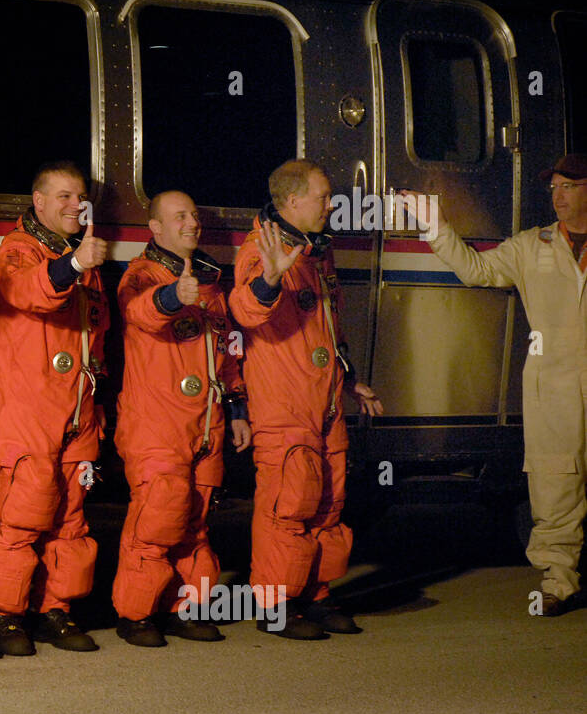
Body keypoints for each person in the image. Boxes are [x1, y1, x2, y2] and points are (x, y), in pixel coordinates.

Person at [401, 154, 587, 616]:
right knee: (555, 480)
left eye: (569, 186)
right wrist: (437, 228)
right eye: (554, 189)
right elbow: (476, 271)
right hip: (554, 383)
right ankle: (558, 581)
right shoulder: (532, 245)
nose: (558, 196)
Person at [228, 160, 383, 639]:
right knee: (287, 505)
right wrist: (271, 279)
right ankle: (277, 608)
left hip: (326, 399)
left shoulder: (316, 252)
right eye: (323, 196)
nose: (332, 204)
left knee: (328, 502)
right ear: (293, 202)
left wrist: (349, 377)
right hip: (285, 404)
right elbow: (245, 311)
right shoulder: (263, 252)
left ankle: (315, 596)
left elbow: (327, 328)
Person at [112, 191, 251, 647]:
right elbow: (140, 312)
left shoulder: (209, 283)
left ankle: (182, 609)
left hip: (204, 422)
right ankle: (136, 615)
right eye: (180, 217)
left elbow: (225, 355)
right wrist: (173, 295)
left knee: (195, 522)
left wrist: (235, 408)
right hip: (157, 423)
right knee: (157, 520)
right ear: (155, 227)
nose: (192, 222)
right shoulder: (140, 275)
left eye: (194, 214)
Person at [0, 161, 108, 655]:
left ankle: (55, 608)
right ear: (38, 201)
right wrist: (73, 266)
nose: (74, 205)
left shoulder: (82, 257)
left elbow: (99, 334)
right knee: (21, 515)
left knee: (71, 519)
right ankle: (6, 617)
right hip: (26, 408)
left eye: (79, 196)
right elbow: (27, 291)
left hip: (76, 409)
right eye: (62, 196)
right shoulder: (18, 251)